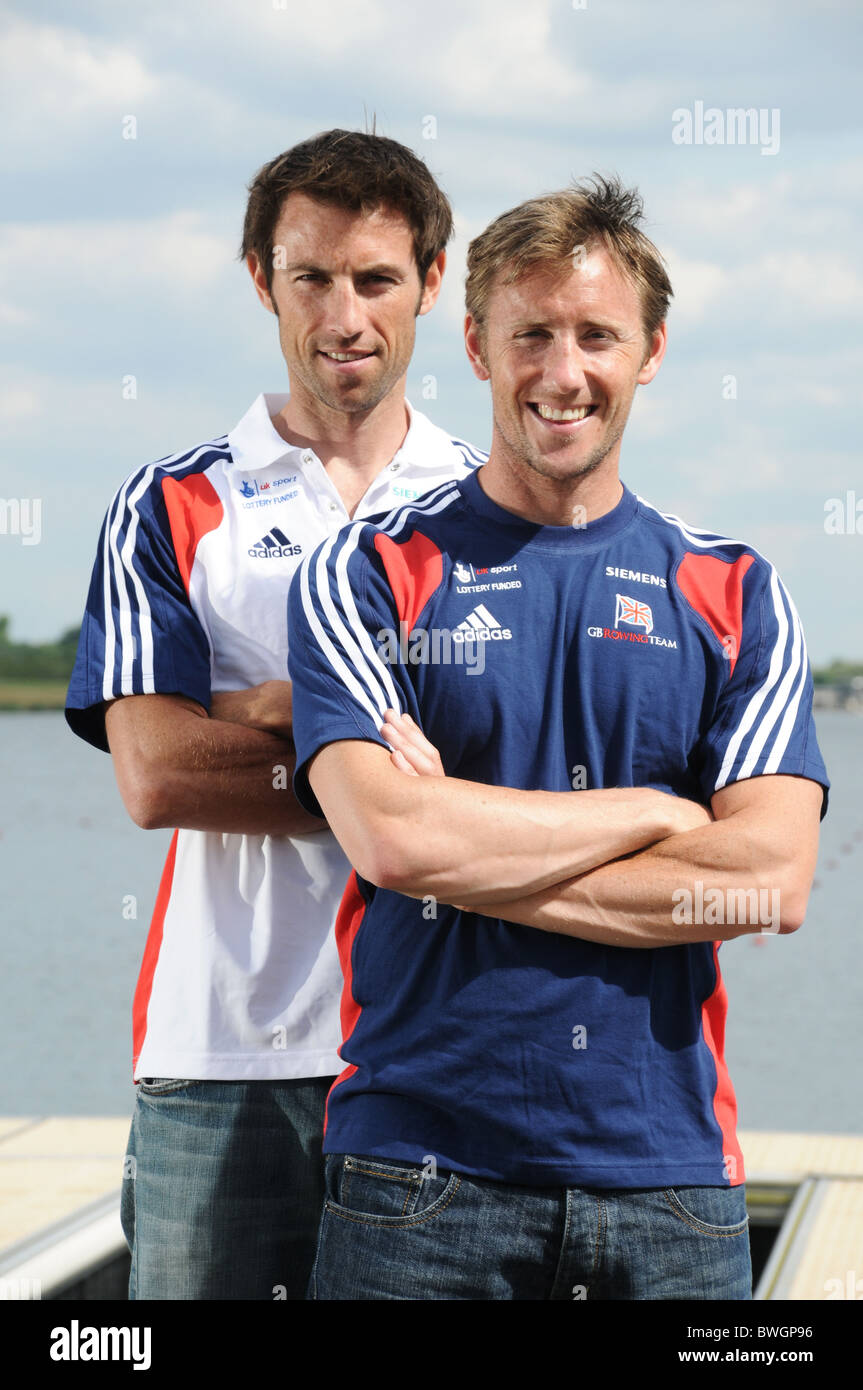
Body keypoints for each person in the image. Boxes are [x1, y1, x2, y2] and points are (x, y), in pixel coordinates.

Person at [286, 175, 829, 1301]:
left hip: (670, 1182)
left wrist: (461, 843)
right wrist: (653, 814)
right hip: (414, 1177)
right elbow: (389, 844)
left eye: (595, 335)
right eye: (529, 333)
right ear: (478, 348)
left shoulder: (734, 588)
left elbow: (764, 884)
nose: (561, 371)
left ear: (650, 351)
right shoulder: (365, 571)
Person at [64, 128, 485, 1300]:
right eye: (311, 276)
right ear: (261, 278)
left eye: (375, 278)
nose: (343, 314)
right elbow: (156, 779)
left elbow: (521, 771)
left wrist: (264, 708)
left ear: (432, 283)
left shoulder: (488, 510)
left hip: (438, 1050)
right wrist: (383, 757)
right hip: (221, 1054)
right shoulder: (170, 501)